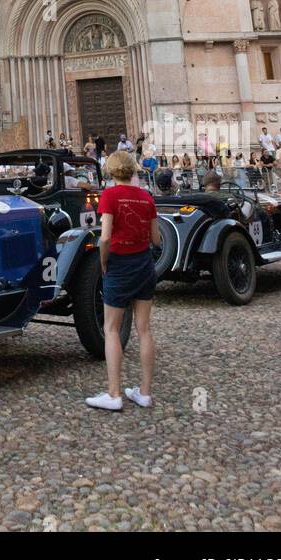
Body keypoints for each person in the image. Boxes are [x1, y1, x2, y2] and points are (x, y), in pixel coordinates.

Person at [85, 151, 161, 412]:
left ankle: (114, 393)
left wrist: (104, 261)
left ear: (111, 171)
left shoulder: (109, 195)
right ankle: (145, 393)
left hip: (120, 263)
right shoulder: (146, 197)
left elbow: (104, 237)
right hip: (144, 264)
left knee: (112, 329)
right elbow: (157, 239)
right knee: (144, 329)